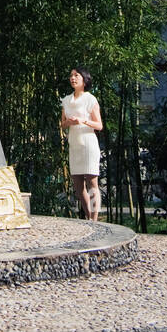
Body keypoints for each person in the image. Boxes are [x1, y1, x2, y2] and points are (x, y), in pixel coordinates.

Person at [61, 67, 103, 220]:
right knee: (78, 187)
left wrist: (83, 120)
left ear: (84, 80)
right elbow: (63, 125)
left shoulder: (90, 99)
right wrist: (69, 122)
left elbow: (99, 125)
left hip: (88, 144)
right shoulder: (66, 100)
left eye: (76, 75)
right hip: (75, 145)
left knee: (92, 184)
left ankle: (95, 219)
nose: (73, 78)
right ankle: (88, 215)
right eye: (71, 75)